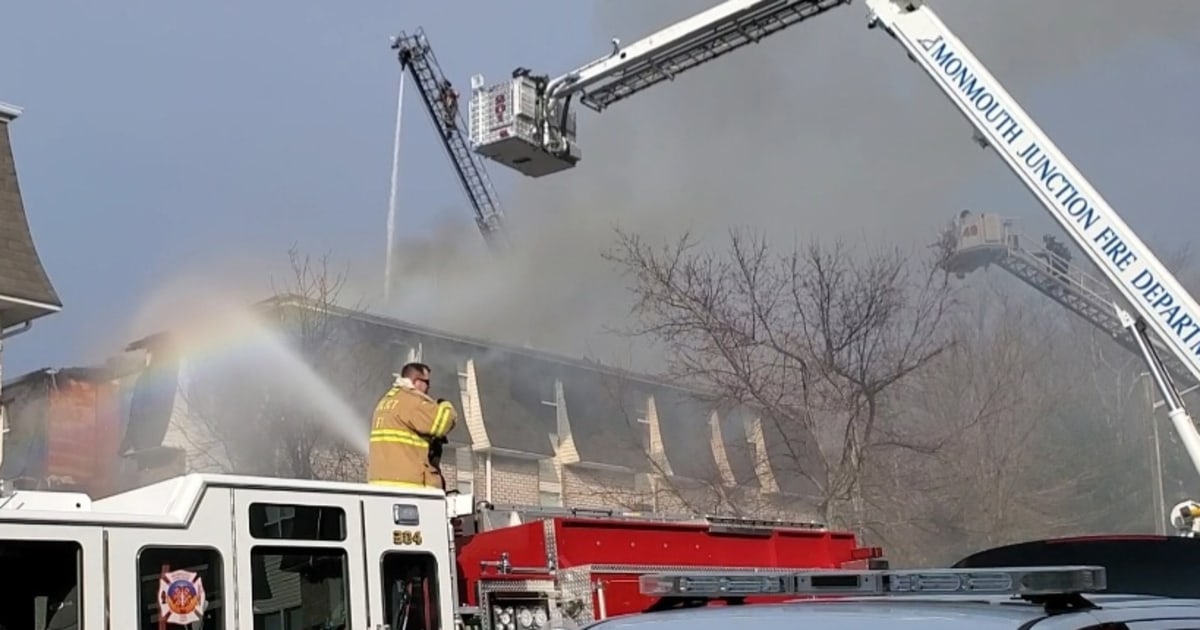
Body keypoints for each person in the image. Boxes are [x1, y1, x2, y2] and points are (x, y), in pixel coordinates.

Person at [367, 362, 458, 489]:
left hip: (380, 485)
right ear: (416, 381)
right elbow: (442, 423)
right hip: (410, 486)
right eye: (427, 382)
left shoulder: (384, 402)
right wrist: (445, 405)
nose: (429, 387)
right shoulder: (412, 402)